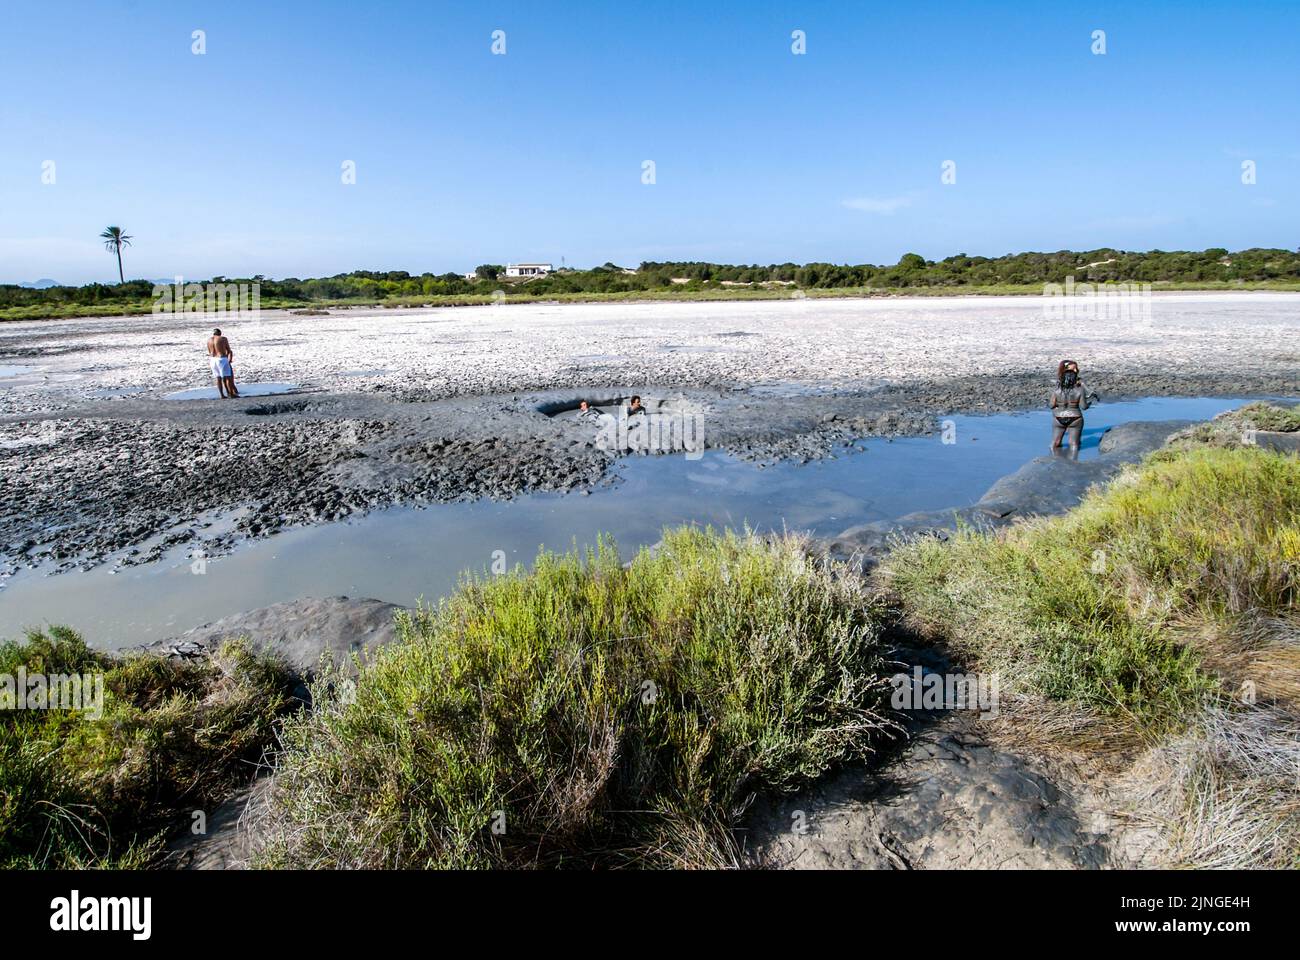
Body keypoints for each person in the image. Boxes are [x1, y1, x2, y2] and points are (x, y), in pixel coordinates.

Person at [1050, 359, 1089, 456]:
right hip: (1075, 417)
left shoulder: (1057, 390)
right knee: (1074, 444)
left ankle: (1053, 460)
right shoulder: (1080, 390)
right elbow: (1084, 407)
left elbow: (1051, 405)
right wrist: (1089, 403)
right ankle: (1073, 465)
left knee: (1055, 443)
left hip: (1058, 417)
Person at [206, 328, 239, 399]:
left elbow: (209, 352)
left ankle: (222, 395)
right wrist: (229, 360)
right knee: (227, 378)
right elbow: (229, 350)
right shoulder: (223, 339)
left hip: (212, 360)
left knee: (218, 378)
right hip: (221, 359)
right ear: (220, 333)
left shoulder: (209, 340)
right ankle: (230, 394)